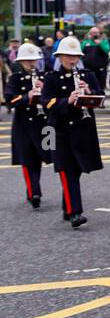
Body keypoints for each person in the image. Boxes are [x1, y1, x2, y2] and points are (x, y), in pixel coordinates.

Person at [43, 37, 103, 227]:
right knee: (66, 170)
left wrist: (89, 91)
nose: (72, 60)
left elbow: (100, 98)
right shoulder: (51, 78)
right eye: (68, 56)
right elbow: (46, 103)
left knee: (76, 171)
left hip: (82, 129)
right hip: (58, 130)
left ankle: (67, 207)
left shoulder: (87, 74)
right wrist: (67, 101)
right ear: (59, 56)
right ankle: (75, 212)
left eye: (75, 56)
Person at [6, 42, 52, 207]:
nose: (31, 63)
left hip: (44, 124)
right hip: (24, 124)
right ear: (20, 61)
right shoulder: (15, 79)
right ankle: (33, 192)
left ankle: (35, 189)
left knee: (43, 156)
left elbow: (54, 98)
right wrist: (27, 96)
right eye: (27, 60)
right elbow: (10, 101)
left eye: (34, 60)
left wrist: (44, 88)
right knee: (27, 158)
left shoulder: (45, 76)